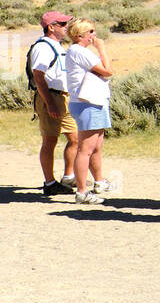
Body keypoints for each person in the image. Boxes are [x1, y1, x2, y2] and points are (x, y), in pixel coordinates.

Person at [63, 19, 114, 205]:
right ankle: (82, 192)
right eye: (90, 31)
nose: (94, 35)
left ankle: (98, 183)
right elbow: (108, 71)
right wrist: (102, 49)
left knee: (96, 147)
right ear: (80, 35)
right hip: (88, 103)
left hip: (92, 102)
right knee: (85, 149)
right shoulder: (79, 51)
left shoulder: (78, 52)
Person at [28, 11, 78, 197]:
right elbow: (38, 76)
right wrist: (49, 103)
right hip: (51, 97)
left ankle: (68, 176)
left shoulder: (56, 46)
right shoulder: (43, 48)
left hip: (64, 97)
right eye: (63, 23)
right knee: (50, 141)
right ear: (51, 27)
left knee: (75, 139)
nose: (66, 26)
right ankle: (49, 183)